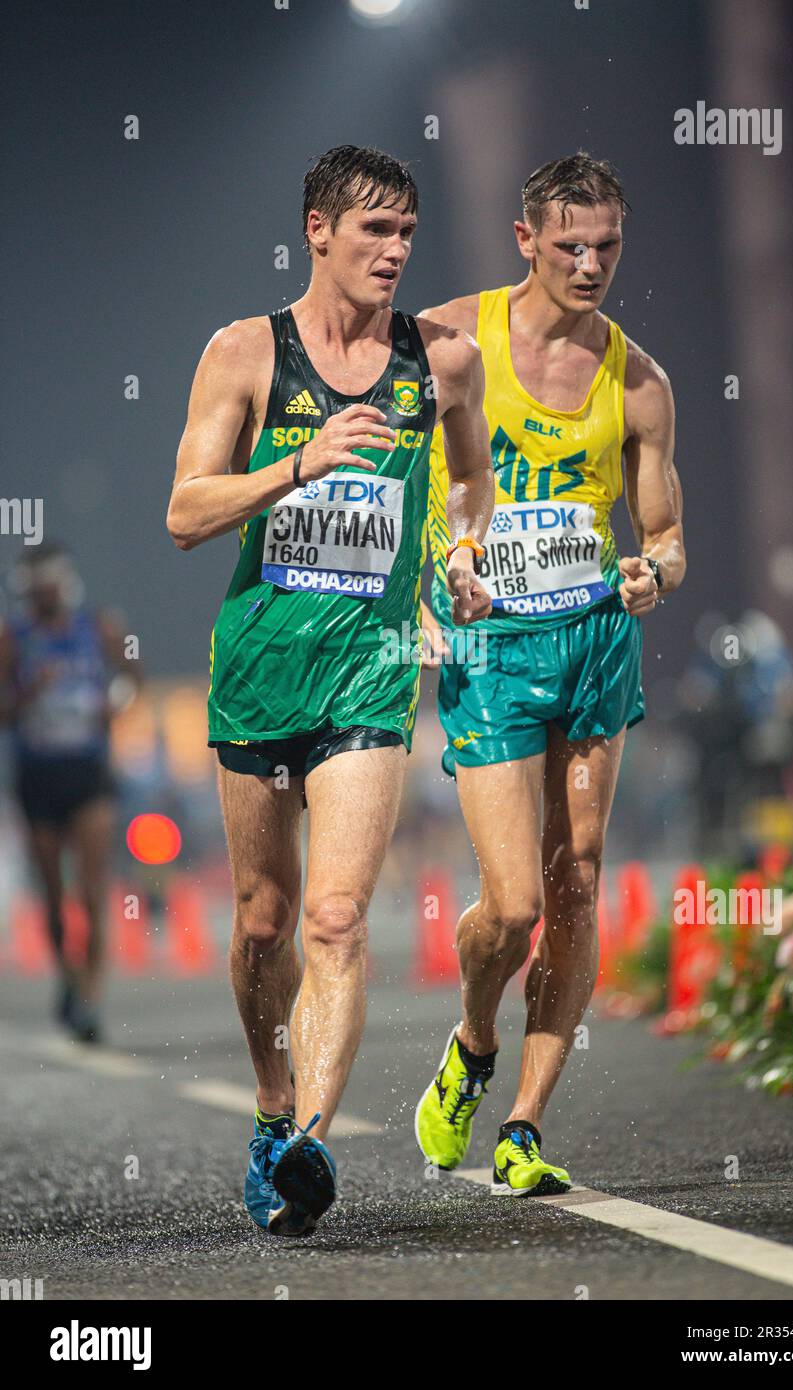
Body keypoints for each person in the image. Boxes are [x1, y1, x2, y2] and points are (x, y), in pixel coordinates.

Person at [167, 146, 494, 1235]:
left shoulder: (441, 359)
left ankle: (307, 1141)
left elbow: (469, 492)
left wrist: (461, 560)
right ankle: (270, 1106)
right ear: (317, 230)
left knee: (339, 917)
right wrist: (296, 465)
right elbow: (185, 513)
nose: (396, 252)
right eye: (374, 232)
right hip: (260, 663)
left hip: (372, 665)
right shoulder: (243, 352)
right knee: (263, 922)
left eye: (407, 231)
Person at [415, 152, 686, 1195]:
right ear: (521, 238)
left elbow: (663, 533)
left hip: (590, 642)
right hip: (491, 643)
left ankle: (522, 1126)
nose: (588, 263)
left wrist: (651, 572)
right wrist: (438, 569)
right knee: (514, 902)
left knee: (576, 876)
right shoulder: (449, 339)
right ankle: (474, 1041)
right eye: (567, 243)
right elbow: (388, 469)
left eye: (606, 245)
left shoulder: (641, 381)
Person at [0, 544, 136, 1042]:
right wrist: (24, 696)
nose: (45, 593)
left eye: (52, 583)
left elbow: (132, 680)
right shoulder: (12, 639)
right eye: (37, 586)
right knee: (54, 898)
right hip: (38, 777)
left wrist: (112, 705)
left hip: (88, 772)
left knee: (92, 891)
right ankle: (67, 974)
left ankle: (91, 999)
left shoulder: (96, 627)